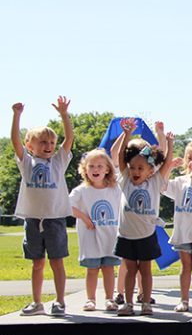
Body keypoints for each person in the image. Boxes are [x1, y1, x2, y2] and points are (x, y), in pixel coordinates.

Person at [11, 97, 74, 316]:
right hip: (32, 219)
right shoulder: (27, 162)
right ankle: (37, 303)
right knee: (37, 264)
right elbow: (15, 143)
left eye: (51, 143)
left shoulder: (58, 162)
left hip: (54, 219)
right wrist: (16, 116)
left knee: (57, 262)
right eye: (42, 142)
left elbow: (69, 140)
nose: (48, 147)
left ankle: (59, 301)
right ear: (31, 146)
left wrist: (64, 115)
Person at [114, 118, 174, 316]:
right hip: (126, 235)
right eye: (133, 167)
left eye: (141, 168)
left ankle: (146, 303)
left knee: (146, 270)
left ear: (150, 171)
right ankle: (128, 304)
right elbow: (122, 157)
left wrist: (169, 143)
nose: (135, 171)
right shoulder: (125, 181)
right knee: (130, 271)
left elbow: (165, 164)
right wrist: (127, 134)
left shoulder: (155, 183)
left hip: (146, 235)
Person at [69, 148, 121, 312]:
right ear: (85, 169)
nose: (95, 169)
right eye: (91, 166)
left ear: (107, 169)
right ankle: (90, 299)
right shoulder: (81, 190)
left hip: (110, 238)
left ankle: (109, 298)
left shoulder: (115, 189)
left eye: (100, 166)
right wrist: (85, 218)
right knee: (92, 270)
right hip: (91, 238)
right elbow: (67, 206)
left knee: (108, 269)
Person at [162, 142, 192, 313]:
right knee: (186, 265)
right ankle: (184, 300)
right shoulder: (180, 182)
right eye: (190, 158)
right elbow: (162, 185)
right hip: (183, 233)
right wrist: (169, 167)